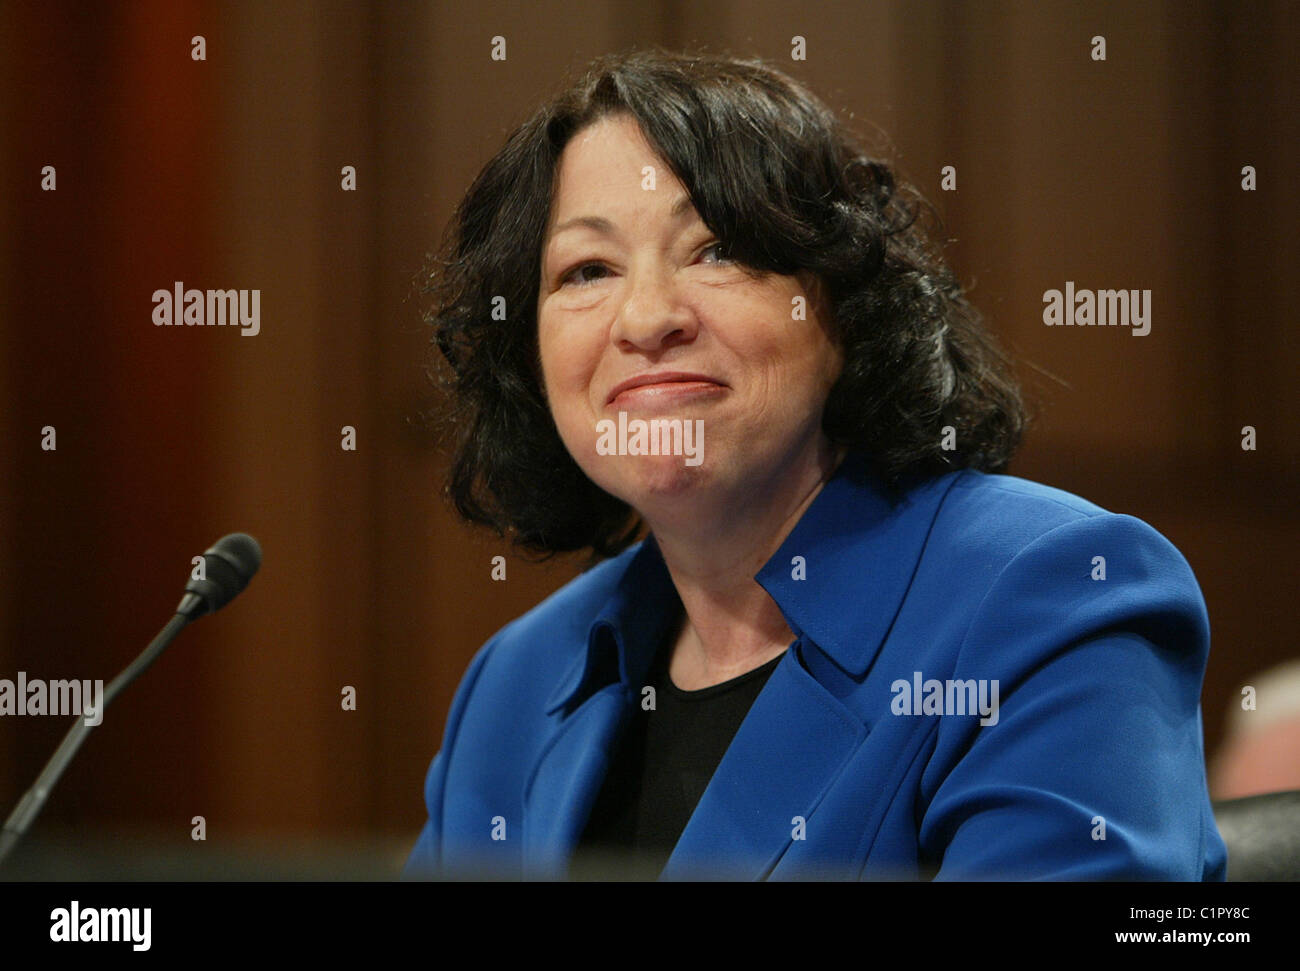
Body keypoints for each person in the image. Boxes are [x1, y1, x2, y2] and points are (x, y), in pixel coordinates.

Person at [403, 47, 1227, 880]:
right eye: (587, 270)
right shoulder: (516, 683)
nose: (646, 318)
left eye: (717, 249)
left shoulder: (1052, 597)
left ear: (844, 305)